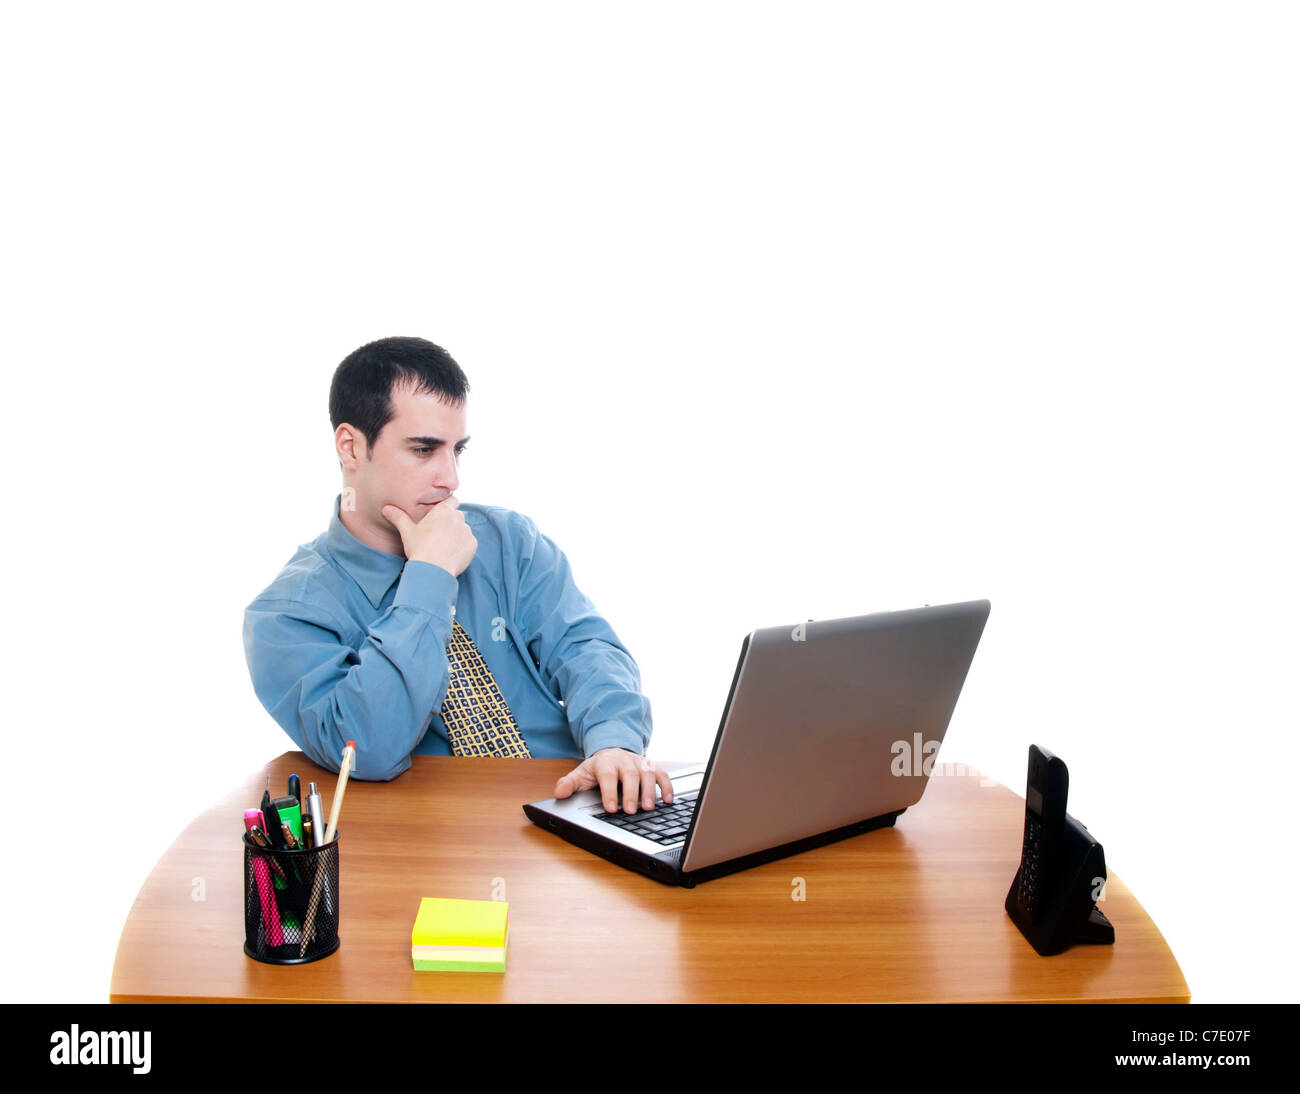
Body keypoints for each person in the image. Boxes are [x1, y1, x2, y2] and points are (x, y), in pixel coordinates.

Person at [242, 336, 673, 815]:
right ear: (350, 446)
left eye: (457, 450)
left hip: (573, 806)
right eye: (424, 449)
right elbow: (367, 749)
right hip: (435, 841)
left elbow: (586, 649)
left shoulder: (509, 541)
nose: (451, 479)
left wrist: (614, 742)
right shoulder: (285, 615)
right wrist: (429, 577)